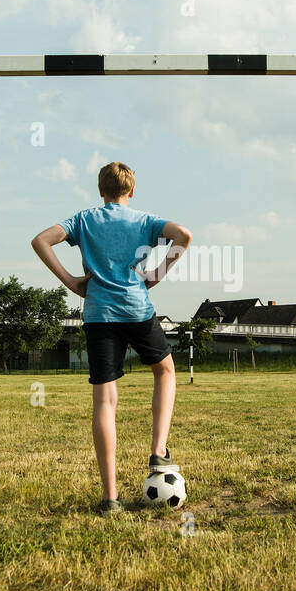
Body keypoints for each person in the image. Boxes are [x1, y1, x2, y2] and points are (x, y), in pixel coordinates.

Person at [31, 161, 192, 515]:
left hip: (100, 315)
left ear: (101, 191)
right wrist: (156, 276)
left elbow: (40, 241)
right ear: (131, 192)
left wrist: (71, 282)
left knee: (105, 402)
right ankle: (158, 450)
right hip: (137, 310)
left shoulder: (84, 219)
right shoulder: (145, 221)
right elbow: (184, 234)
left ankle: (111, 498)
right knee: (164, 371)